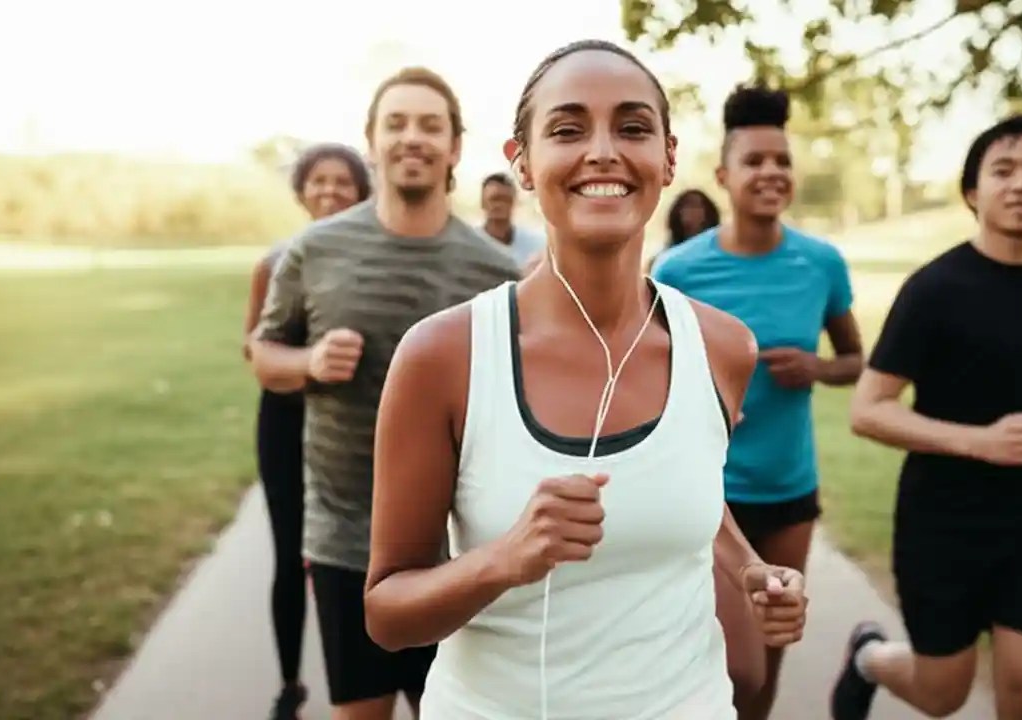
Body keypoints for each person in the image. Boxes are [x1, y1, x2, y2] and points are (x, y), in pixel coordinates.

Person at [362, 39, 809, 720]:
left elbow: (682, 475)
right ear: (523, 165)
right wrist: (504, 559)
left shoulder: (723, 347)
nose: (602, 151)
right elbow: (387, 615)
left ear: (667, 158)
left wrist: (747, 565)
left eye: (632, 127)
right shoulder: (444, 356)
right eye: (567, 130)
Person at [250, 67, 522, 720]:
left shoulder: (496, 272)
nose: (413, 138)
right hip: (347, 541)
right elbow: (263, 354)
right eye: (396, 124)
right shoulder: (314, 251)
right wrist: (310, 361)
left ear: (455, 147)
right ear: (371, 142)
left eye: (431, 125)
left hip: (461, 548)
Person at [832, 114, 1022, 720]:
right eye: (1003, 170)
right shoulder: (934, 290)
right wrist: (978, 442)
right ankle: (868, 655)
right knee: (943, 694)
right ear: (973, 192)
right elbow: (868, 410)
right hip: (943, 523)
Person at [652, 82, 863, 720]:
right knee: (729, 663)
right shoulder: (679, 271)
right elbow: (641, 374)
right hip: (713, 495)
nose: (771, 173)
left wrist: (818, 366)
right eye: (755, 161)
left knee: (768, 656)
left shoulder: (821, 263)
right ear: (723, 174)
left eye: (782, 162)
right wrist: (703, 395)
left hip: (790, 490)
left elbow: (857, 362)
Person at [242, 142, 372, 720]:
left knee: (354, 553)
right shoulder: (275, 261)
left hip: (354, 425)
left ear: (361, 190)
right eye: (318, 181)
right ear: (301, 190)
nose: (330, 191)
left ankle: (375, 672)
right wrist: (309, 363)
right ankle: (290, 683)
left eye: (342, 182)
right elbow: (255, 349)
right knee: (291, 552)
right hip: (287, 420)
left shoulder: (376, 254)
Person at [477, 171, 547, 273]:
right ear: (482, 202)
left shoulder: (537, 245)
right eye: (494, 199)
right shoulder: (469, 244)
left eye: (505, 199)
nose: (499, 205)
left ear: (514, 202)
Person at [644, 188, 720, 273]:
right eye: (687, 206)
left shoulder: (718, 260)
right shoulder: (663, 262)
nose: (690, 211)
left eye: (696, 206)